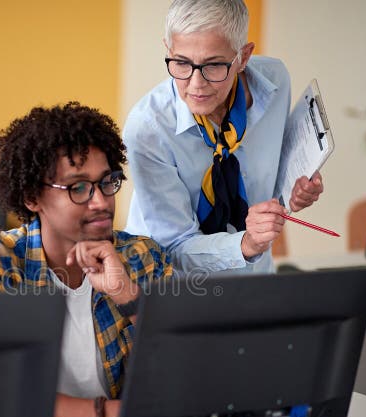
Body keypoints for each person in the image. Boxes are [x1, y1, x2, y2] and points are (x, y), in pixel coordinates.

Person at [0, 102, 173, 417]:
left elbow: (183, 370)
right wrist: (120, 416)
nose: (100, 202)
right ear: (31, 198)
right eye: (78, 188)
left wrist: (128, 295)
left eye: (107, 182)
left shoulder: (143, 257)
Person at [123, 0, 324, 274]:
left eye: (214, 65)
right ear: (168, 50)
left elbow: (267, 180)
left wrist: (294, 191)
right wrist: (246, 244)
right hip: (174, 287)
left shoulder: (275, 82)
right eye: (182, 63)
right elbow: (174, 248)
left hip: (252, 276)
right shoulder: (147, 128)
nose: (196, 85)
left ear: (243, 57)